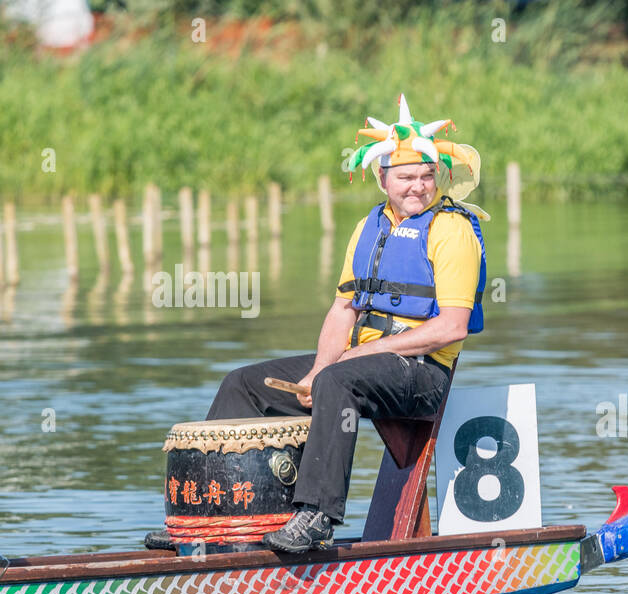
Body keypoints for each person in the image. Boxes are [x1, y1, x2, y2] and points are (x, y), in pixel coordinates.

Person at [146, 94, 490, 553]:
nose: (418, 187)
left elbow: (452, 327)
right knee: (243, 385)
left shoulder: (452, 230)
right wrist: (315, 371)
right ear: (383, 179)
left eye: (427, 177)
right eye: (407, 177)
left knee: (338, 379)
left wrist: (352, 359)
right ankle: (213, 517)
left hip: (423, 372)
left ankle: (316, 518)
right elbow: (342, 310)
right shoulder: (370, 227)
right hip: (359, 364)